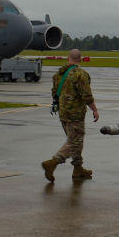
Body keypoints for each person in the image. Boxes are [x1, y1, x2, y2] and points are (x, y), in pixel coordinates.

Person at [41, 49, 99, 183]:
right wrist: (95, 110)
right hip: (75, 115)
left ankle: (78, 168)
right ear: (80, 59)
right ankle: (52, 163)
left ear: (68, 58)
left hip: (63, 114)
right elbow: (87, 96)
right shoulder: (81, 75)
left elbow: (54, 93)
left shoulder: (58, 75)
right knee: (74, 142)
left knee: (75, 140)